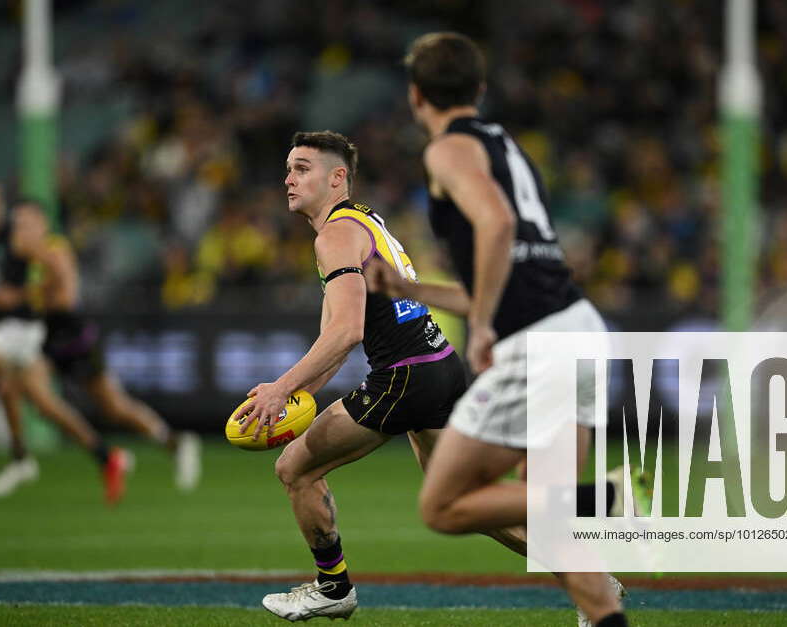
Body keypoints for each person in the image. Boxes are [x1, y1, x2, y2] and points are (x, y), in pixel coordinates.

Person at [372, 32, 628, 626]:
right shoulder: (502, 144)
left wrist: (482, 326)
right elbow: (508, 264)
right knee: (547, 522)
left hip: (538, 343)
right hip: (579, 329)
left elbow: (496, 223)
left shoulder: (448, 150)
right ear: (479, 90)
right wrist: (412, 290)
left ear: (415, 97)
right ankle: (604, 613)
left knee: (442, 504)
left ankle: (599, 500)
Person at [239, 131, 466, 621]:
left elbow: (346, 331)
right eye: (288, 168)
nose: (288, 179)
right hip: (439, 365)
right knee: (461, 502)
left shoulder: (335, 236)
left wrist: (280, 389)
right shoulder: (363, 222)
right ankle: (587, 575)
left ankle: (332, 587)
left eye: (302, 168)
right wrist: (296, 392)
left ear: (337, 177)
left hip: (404, 377)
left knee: (294, 468)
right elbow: (335, 339)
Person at [0, 199, 201, 497]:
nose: (20, 231)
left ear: (42, 225)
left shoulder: (54, 249)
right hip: (43, 337)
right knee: (12, 389)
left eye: (27, 224)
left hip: (72, 336)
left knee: (114, 407)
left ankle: (174, 442)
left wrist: (27, 289)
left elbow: (64, 299)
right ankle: (23, 458)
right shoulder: (26, 261)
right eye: (18, 225)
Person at [0, 196, 128, 505]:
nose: (18, 226)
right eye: (17, 221)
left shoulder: (26, 242)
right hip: (10, 329)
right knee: (41, 404)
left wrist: (21, 295)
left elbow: (56, 273)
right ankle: (105, 457)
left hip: (18, 329)